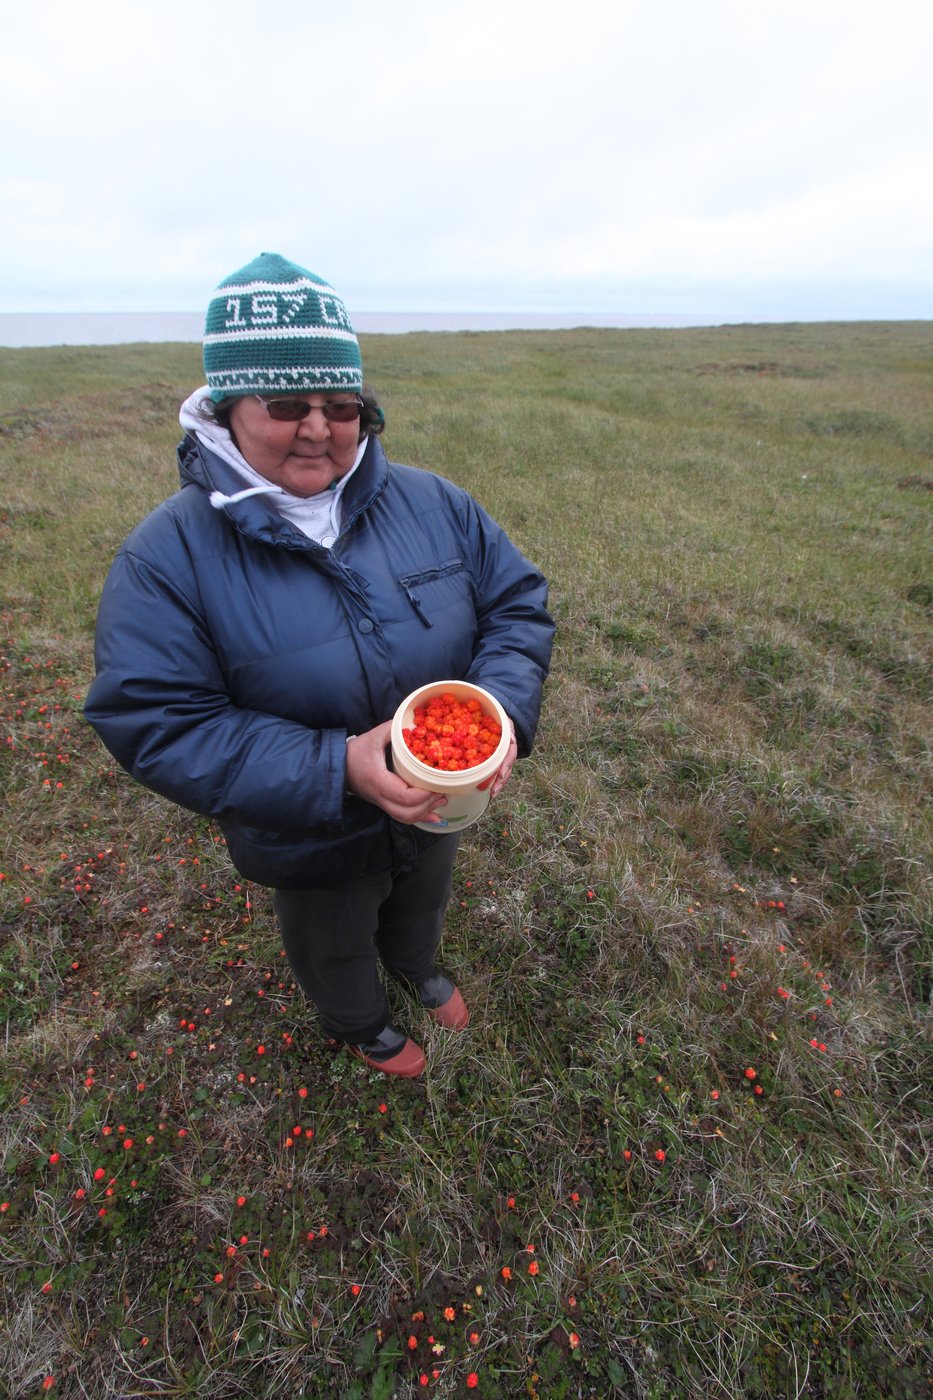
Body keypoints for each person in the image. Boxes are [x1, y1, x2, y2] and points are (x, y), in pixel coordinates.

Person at [84, 252, 554, 1079]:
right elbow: (155, 720)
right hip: (304, 828)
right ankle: (359, 1019)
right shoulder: (165, 555)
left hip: (442, 798)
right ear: (227, 407)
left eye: (342, 407)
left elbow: (515, 606)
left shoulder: (434, 502)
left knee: (422, 895)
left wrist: (499, 714)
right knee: (330, 933)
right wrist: (333, 765)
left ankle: (417, 965)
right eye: (288, 405)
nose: (317, 428)